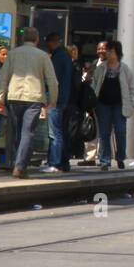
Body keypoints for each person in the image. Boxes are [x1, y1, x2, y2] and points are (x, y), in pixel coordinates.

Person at [0, 27, 58, 179]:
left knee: (18, 133)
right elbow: (53, 81)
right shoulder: (43, 56)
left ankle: (20, 163)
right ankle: (20, 165)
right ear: (36, 40)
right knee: (28, 132)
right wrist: (52, 101)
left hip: (14, 97)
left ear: (23, 39)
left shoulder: (12, 54)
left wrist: (0, 99)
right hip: (34, 98)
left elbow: (3, 78)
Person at [91, 41, 134, 170]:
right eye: (107, 51)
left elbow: (132, 88)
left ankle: (120, 157)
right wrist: (93, 102)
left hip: (119, 105)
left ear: (117, 53)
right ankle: (105, 160)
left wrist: (132, 104)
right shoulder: (101, 68)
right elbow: (94, 85)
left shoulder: (125, 69)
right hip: (103, 104)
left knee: (120, 131)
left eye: (111, 51)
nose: (108, 53)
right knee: (104, 133)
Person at [44, 32, 74, 174]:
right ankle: (63, 162)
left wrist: (51, 99)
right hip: (65, 98)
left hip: (56, 99)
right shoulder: (66, 56)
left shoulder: (57, 57)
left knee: (55, 133)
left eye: (48, 43)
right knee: (61, 131)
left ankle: (55, 163)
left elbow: (53, 80)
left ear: (53, 42)